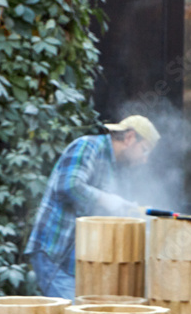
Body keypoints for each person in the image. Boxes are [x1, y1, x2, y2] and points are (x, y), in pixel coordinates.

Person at [25, 115, 160, 298]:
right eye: (144, 150)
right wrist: (106, 199)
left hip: (78, 261)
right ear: (129, 138)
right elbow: (68, 185)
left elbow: (101, 208)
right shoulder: (88, 146)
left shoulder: (114, 166)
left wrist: (126, 209)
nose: (144, 159)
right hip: (55, 254)